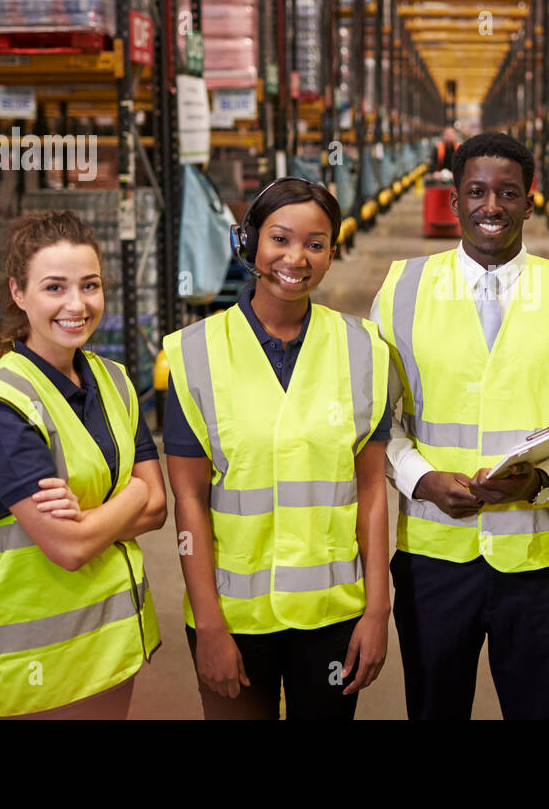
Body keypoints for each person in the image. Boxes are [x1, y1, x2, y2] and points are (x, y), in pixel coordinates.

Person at [372, 131, 549, 720]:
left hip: (536, 561)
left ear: (530, 202)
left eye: (507, 193)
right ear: (455, 201)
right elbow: (379, 425)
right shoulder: (401, 288)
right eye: (477, 192)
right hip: (433, 557)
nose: (492, 207)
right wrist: (421, 480)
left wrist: (544, 483)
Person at [163, 177, 391, 720]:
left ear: (332, 252)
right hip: (236, 623)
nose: (296, 257)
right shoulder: (195, 355)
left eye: (315, 244)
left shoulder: (364, 350)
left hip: (333, 618)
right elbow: (188, 503)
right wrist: (209, 624)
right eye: (280, 239)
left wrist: (378, 608)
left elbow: (372, 488)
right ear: (250, 243)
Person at [0, 211, 166, 719]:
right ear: (18, 293)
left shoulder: (114, 381)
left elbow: (159, 509)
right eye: (54, 287)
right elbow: (68, 546)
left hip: (112, 644)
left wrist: (96, 516)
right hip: (35, 659)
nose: (76, 304)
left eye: (90, 285)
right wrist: (127, 495)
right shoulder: (0, 406)